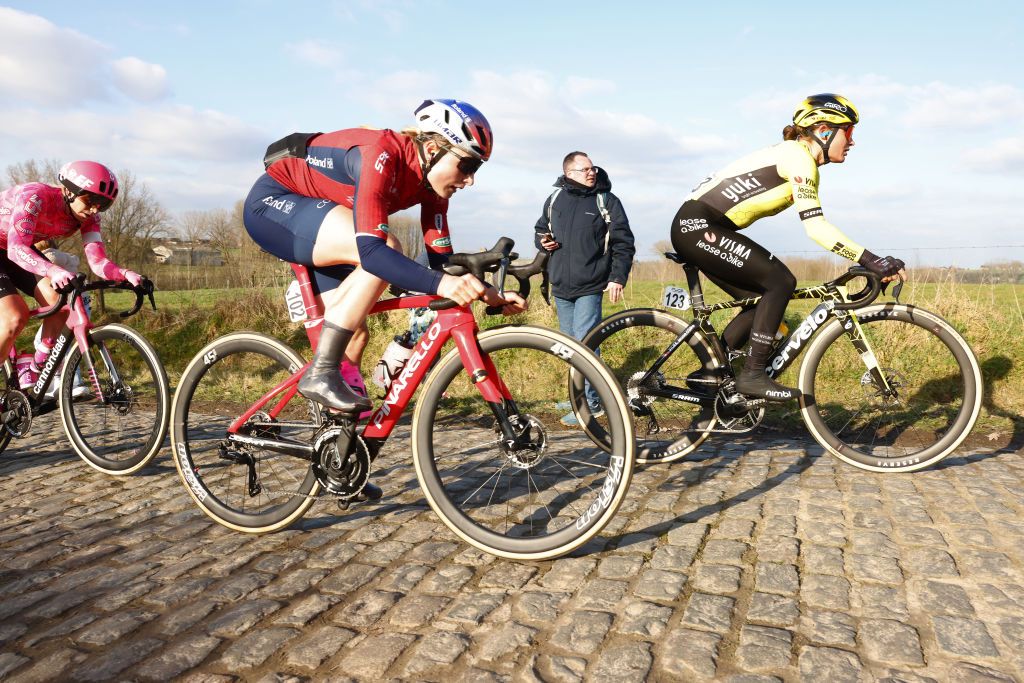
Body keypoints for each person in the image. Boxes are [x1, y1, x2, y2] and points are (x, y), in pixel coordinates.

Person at [243, 99, 526, 417]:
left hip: (327, 220)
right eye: (468, 165)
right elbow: (374, 254)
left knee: (354, 334)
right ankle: (320, 372)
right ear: (432, 149)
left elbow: (439, 264)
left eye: (477, 168)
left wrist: (489, 293)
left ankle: (338, 443)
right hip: (275, 205)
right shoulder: (381, 154)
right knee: (386, 245)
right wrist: (444, 283)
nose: (471, 179)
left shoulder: (432, 187)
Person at [671, 93, 906, 402]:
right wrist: (871, 259)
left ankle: (715, 372)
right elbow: (816, 227)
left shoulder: (798, 157)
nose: (852, 142)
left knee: (760, 302)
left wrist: (868, 259)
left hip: (701, 227)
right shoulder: (799, 158)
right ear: (824, 130)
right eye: (848, 132)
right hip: (699, 226)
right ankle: (752, 375)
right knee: (780, 281)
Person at [0, 161, 143, 390]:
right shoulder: (35, 196)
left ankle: (35, 368)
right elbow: (17, 249)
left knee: (61, 300)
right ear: (68, 190)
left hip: (13, 248)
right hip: (15, 247)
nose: (95, 209)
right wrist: (53, 270)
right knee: (15, 317)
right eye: (90, 201)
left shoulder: (89, 217)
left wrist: (124, 274)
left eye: (104, 205)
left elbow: (97, 260)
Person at [533, 151, 635, 425]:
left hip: (591, 284)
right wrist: (544, 241)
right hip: (561, 286)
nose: (592, 172)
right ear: (569, 173)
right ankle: (578, 394)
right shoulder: (554, 199)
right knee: (569, 345)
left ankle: (591, 403)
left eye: (593, 168)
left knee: (586, 343)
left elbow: (623, 243)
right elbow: (540, 229)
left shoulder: (606, 201)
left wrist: (617, 277)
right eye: (585, 169)